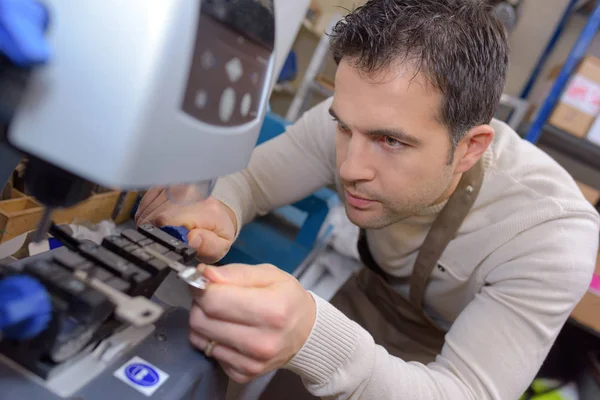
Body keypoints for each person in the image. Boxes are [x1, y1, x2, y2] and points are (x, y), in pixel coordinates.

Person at [135, 0, 600, 399]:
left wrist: (314, 338)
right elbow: (252, 181)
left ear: (470, 148)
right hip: (366, 300)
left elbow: (464, 390)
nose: (350, 168)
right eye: (343, 127)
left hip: (447, 356)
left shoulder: (550, 234)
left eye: (391, 141)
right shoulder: (357, 114)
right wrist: (220, 208)